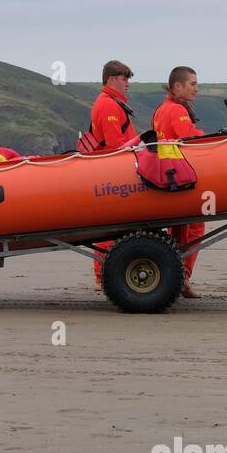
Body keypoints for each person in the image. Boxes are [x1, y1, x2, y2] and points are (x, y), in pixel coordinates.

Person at [152, 66, 205, 298]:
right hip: (180, 181)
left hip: (167, 179)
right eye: (192, 84)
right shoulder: (176, 111)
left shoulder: (161, 109)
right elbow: (191, 137)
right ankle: (183, 278)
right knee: (193, 230)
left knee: (178, 233)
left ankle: (177, 277)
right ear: (177, 86)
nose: (196, 88)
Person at [88, 61, 138, 285]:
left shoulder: (111, 103)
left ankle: (102, 275)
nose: (127, 83)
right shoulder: (108, 106)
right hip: (113, 173)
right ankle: (102, 276)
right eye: (124, 78)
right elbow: (115, 145)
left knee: (113, 229)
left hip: (111, 171)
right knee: (111, 229)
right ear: (111, 80)